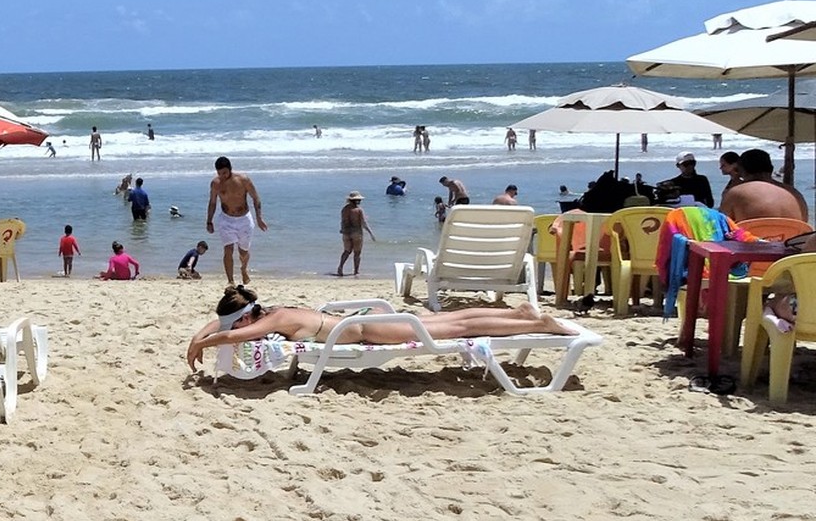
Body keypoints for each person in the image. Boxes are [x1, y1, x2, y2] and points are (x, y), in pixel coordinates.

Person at [186, 285, 577, 371]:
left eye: (236, 320)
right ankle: (520, 315)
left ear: (245, 317)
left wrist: (202, 345)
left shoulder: (271, 321)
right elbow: (224, 324)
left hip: (367, 330)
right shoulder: (271, 311)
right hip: (364, 321)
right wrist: (197, 337)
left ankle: (537, 323)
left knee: (459, 326)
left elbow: (232, 335)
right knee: (451, 321)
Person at [206, 156, 266, 285]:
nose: (222, 176)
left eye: (224, 173)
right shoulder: (215, 183)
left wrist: (259, 218)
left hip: (244, 219)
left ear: (230, 169)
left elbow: (256, 198)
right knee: (228, 249)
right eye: (219, 173)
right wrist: (209, 221)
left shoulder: (243, 180)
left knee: (243, 252)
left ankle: (243, 269)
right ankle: (231, 281)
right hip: (226, 220)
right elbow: (212, 203)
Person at [720, 148, 809, 222]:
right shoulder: (794, 193)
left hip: (754, 238)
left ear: (741, 170)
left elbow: (721, 225)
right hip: (793, 237)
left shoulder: (735, 193)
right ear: (771, 168)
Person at [337, 191, 376, 277]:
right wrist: (371, 233)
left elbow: (343, 221)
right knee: (357, 253)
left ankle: (340, 267)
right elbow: (364, 223)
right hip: (356, 233)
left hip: (346, 233)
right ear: (357, 200)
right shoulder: (358, 210)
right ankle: (356, 271)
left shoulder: (344, 209)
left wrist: (342, 230)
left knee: (347, 251)